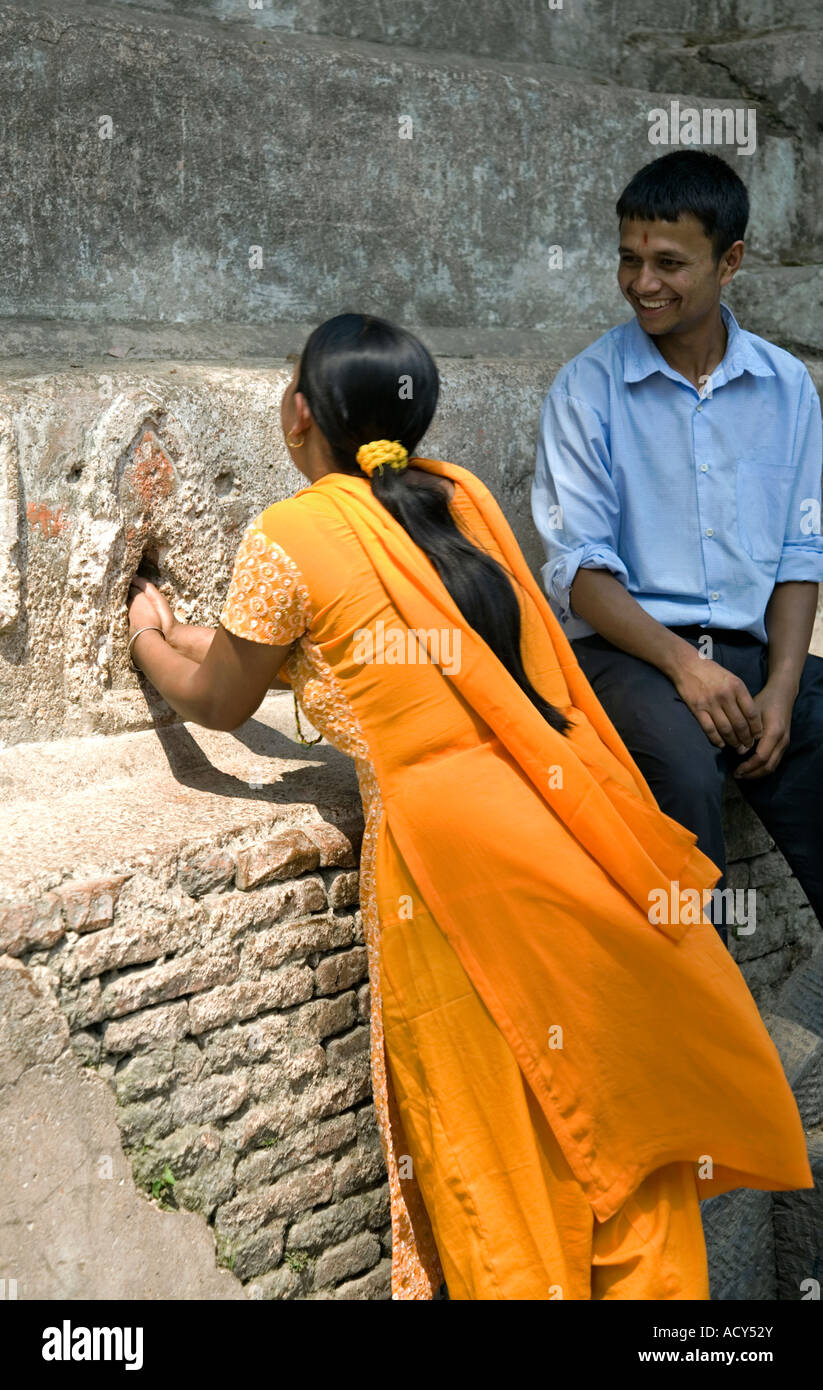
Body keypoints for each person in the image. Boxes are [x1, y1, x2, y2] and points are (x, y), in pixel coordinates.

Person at [127, 312, 812, 1301]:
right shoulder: (455, 503)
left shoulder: (288, 535)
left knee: (497, 1136)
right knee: (607, 1128)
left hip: (453, 867)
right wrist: (199, 636)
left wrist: (149, 638)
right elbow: (328, 654)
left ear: (297, 415)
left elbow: (227, 697)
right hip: (562, 831)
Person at [532, 150, 823, 945]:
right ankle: (706, 1018)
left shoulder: (785, 386)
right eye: (628, 260)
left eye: (668, 263)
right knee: (685, 776)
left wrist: (784, 688)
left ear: (729, 261)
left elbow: (800, 556)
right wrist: (683, 666)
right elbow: (579, 574)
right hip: (624, 654)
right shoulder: (585, 389)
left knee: (809, 726)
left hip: (748, 649)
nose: (641, 283)